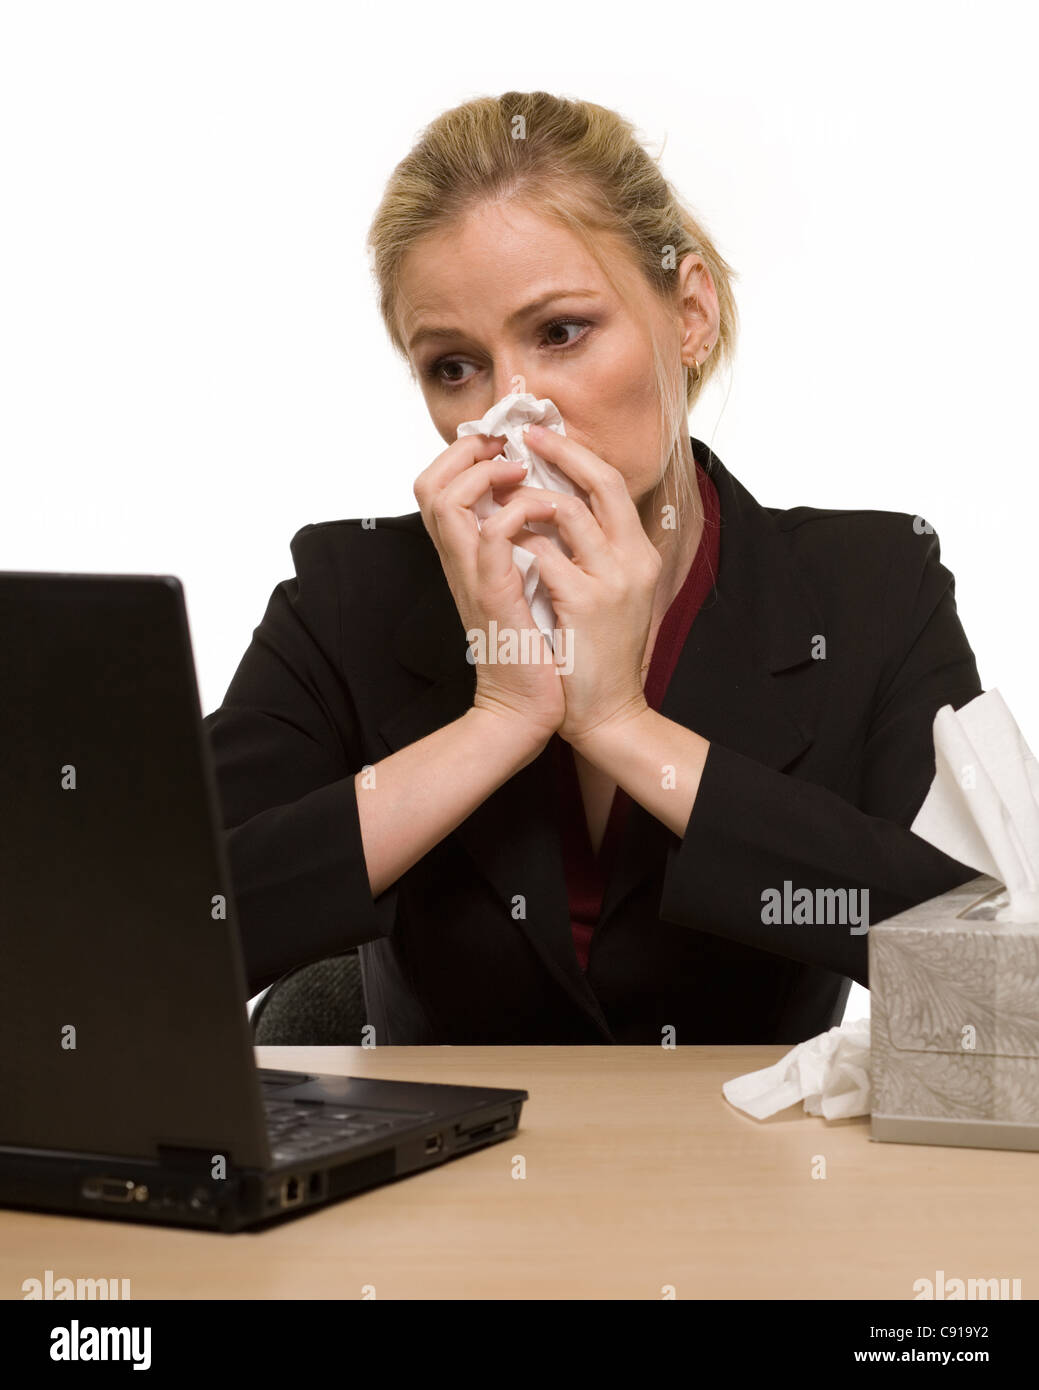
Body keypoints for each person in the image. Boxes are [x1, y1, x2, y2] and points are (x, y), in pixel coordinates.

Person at [203, 91, 983, 1044]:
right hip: (444, 1184)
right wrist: (495, 722)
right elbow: (158, 924)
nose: (511, 412)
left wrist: (622, 727)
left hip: (748, 1180)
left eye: (561, 333)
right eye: (454, 367)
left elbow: (980, 972)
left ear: (687, 314)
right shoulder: (351, 591)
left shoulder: (870, 587)